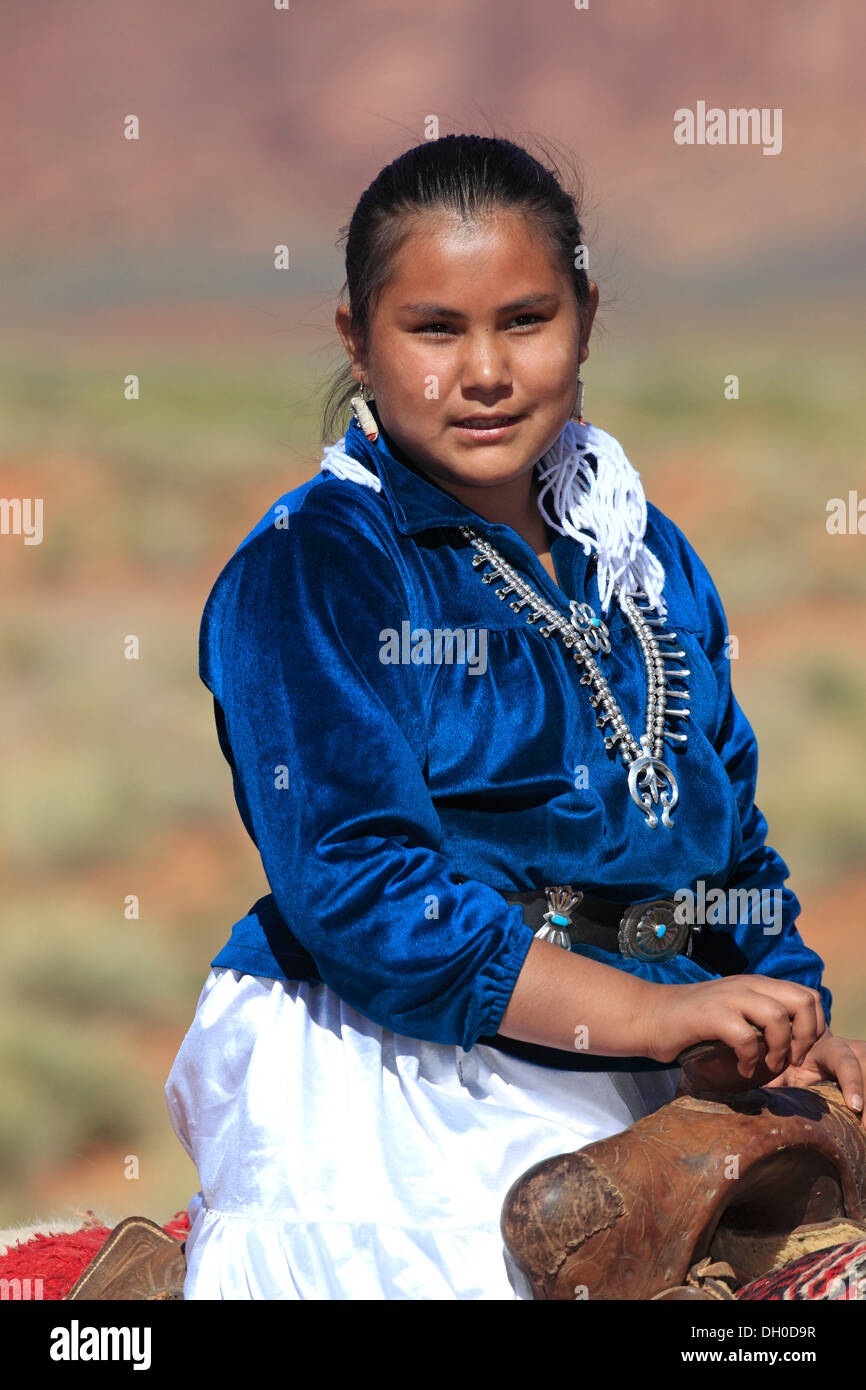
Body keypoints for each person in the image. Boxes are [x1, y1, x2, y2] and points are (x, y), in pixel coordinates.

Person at [164, 133, 866, 1301]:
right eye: (433, 329)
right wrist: (650, 1014)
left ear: (585, 316)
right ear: (357, 338)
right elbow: (358, 890)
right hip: (398, 1069)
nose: (483, 370)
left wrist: (790, 1011)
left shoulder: (639, 552)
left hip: (642, 1045)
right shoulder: (318, 566)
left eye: (525, 320)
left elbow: (723, 827)